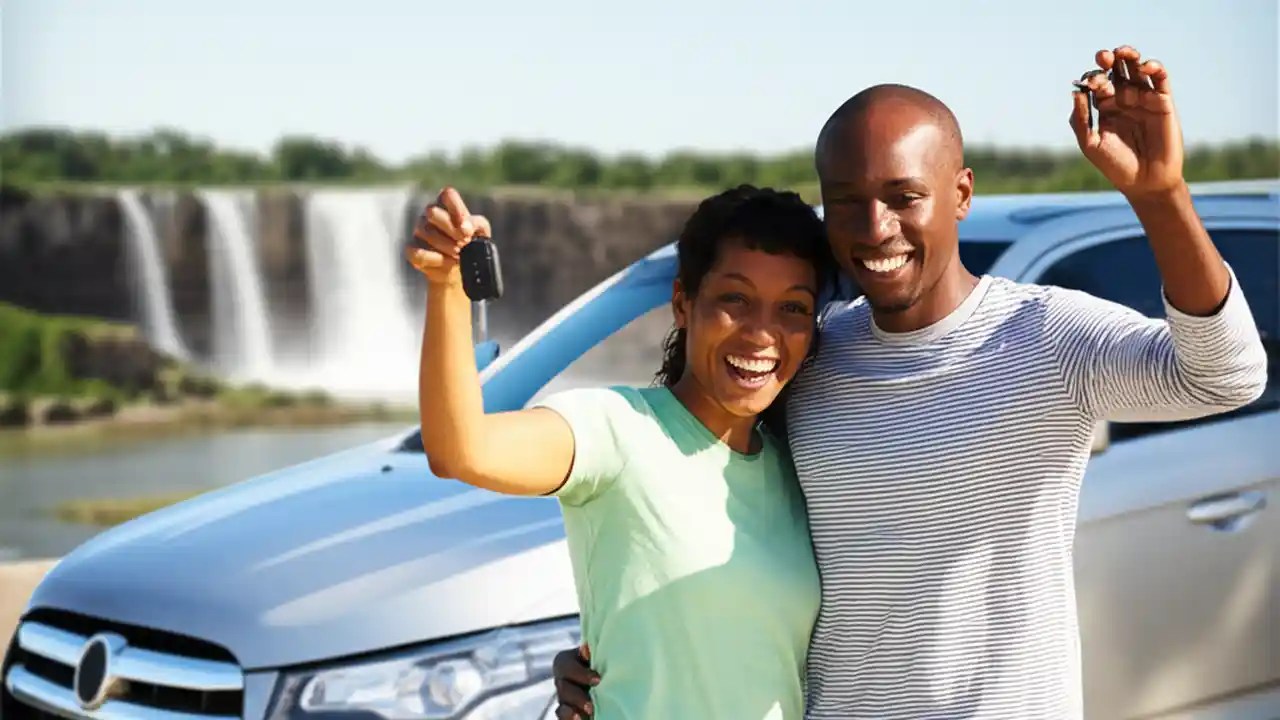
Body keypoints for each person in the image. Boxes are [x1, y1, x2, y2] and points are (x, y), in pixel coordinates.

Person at [552, 45, 1268, 719]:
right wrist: (616, 654)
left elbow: (1225, 378)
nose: (874, 227)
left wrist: (1162, 195)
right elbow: (708, 521)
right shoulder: (812, 356)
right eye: (848, 200)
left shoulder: (1046, 338)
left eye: (903, 196)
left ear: (960, 193)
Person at [406, 184, 839, 719]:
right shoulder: (616, 429)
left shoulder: (797, 468)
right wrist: (446, 285)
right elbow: (461, 450)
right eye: (735, 299)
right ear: (683, 303)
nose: (762, 334)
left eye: (791, 308)